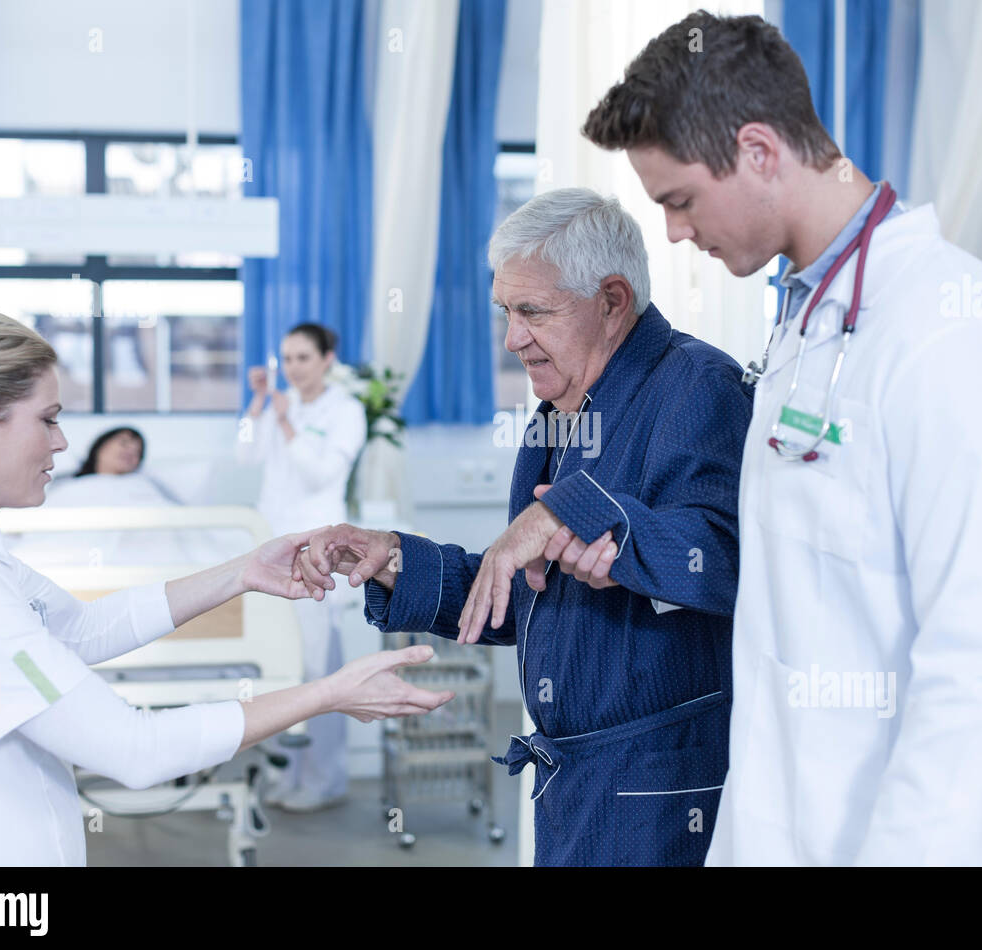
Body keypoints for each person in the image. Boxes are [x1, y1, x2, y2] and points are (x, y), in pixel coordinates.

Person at [582, 11, 982, 865]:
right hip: (773, 825)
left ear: (760, 151)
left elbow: (980, 664)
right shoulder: (809, 322)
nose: (677, 235)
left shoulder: (949, 327)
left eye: (681, 201)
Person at [295, 188, 753, 866]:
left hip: (660, 784)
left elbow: (727, 559)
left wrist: (598, 522)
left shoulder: (699, 385)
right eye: (506, 313)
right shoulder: (560, 408)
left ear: (613, 299)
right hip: (571, 778)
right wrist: (395, 559)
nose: (512, 339)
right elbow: (522, 591)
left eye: (533, 311)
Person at [0, 306, 451, 866]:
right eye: (48, 419)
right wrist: (328, 694)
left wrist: (242, 571)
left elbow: (82, 629)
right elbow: (135, 750)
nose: (62, 442)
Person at [238, 323, 366, 812]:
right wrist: (258, 405)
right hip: (271, 548)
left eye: (303, 358)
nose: (293, 368)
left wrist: (288, 422)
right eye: (287, 359)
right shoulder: (277, 404)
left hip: (319, 551)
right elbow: (245, 453)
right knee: (279, 667)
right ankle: (286, 775)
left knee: (317, 669)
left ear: (327, 358)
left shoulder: (347, 411)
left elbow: (320, 473)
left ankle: (325, 777)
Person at [74, 426, 145, 477]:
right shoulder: (68, 485)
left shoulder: (146, 488)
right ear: (100, 447)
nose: (131, 452)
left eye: (137, 451)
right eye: (124, 444)